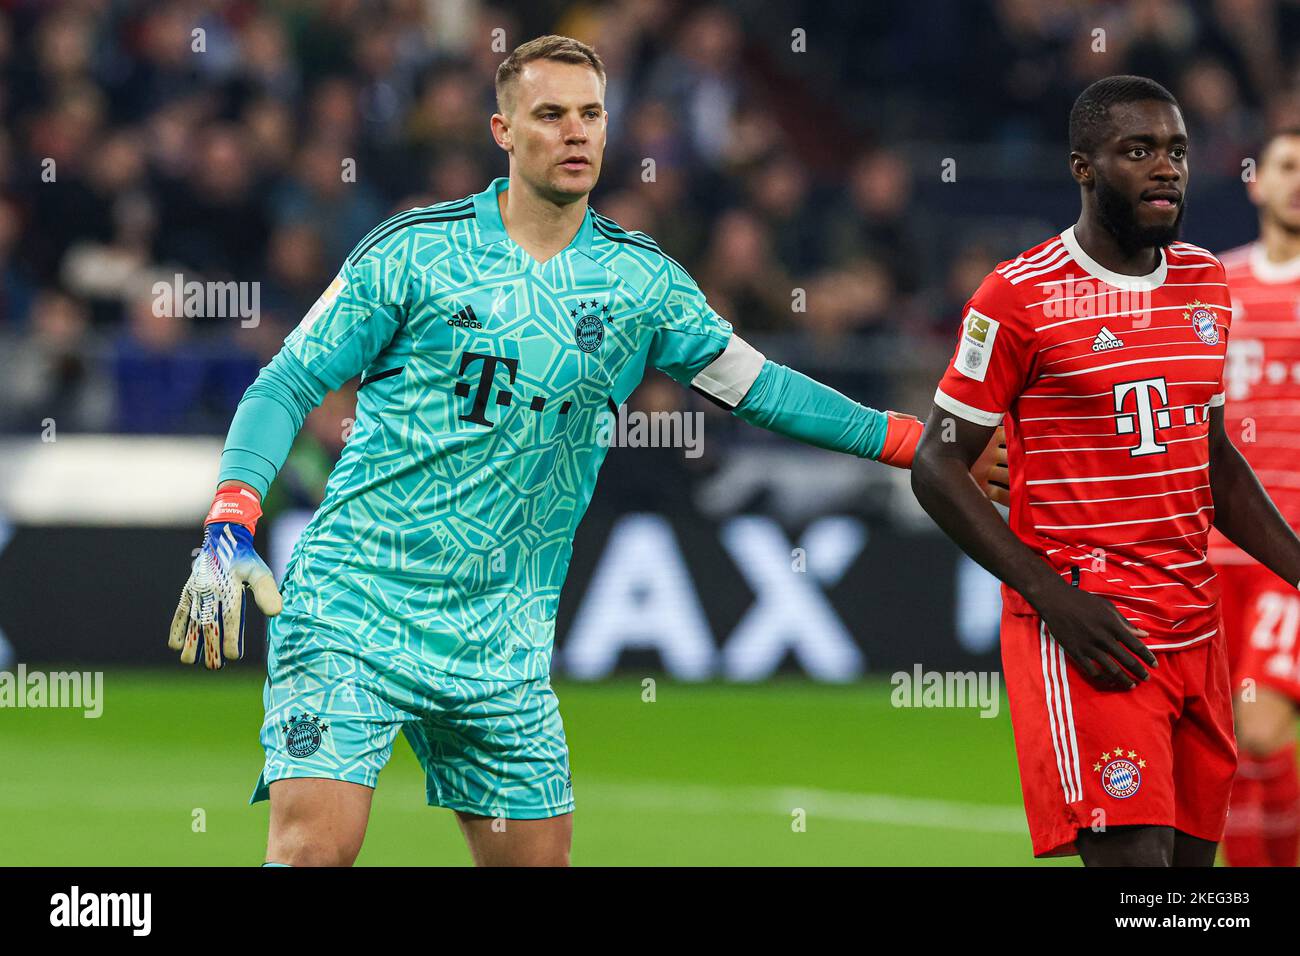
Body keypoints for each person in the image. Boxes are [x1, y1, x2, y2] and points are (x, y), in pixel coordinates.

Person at [167, 35, 1006, 867]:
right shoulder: (414, 252)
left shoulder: (642, 285)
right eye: (550, 115)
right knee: (315, 851)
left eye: (591, 114)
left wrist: (919, 444)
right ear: (502, 131)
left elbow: (766, 389)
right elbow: (285, 385)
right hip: (358, 601)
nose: (575, 132)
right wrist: (232, 514)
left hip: (503, 634)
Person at [911, 75, 1300, 866]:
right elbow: (937, 464)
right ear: (1083, 167)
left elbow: (1213, 459)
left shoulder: (1205, 282)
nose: (1166, 168)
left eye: (1177, 151)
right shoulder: (1017, 296)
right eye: (1139, 150)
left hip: (1195, 627)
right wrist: (1050, 596)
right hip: (1093, 631)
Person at [1215, 128, 1300, 867]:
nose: (1299, 181)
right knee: (1225, 747)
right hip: (1212, 550)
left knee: (1261, 731)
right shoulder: (1215, 288)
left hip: (1289, 555)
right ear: (1257, 181)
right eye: (1288, 166)